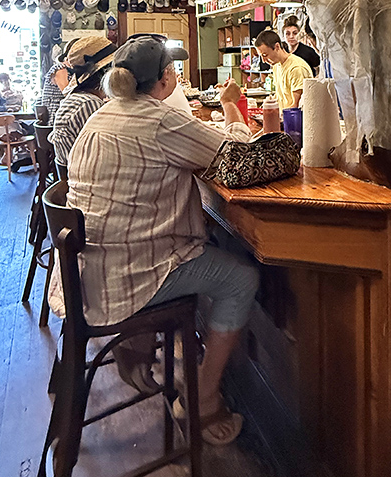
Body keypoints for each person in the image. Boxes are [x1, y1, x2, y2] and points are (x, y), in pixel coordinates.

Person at [67, 35, 259, 446]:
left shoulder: (100, 116)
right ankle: (202, 401)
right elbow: (236, 154)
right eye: (172, 69)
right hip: (127, 278)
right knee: (241, 279)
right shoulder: (160, 120)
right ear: (166, 79)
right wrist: (230, 106)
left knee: (204, 249)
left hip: (87, 276)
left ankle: (136, 349)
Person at [50, 37, 117, 177]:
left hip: (74, 179)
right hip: (85, 183)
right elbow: (104, 157)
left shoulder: (80, 99)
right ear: (106, 72)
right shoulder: (88, 104)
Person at [254, 28, 313, 112]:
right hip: (283, 117)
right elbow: (280, 96)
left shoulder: (296, 68)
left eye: (265, 55)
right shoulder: (276, 65)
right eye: (261, 56)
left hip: (294, 119)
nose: (263, 60)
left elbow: (295, 106)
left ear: (277, 46)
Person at [35, 40, 77, 124]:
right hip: (56, 117)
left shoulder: (71, 70)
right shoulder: (60, 68)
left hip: (66, 113)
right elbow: (67, 93)